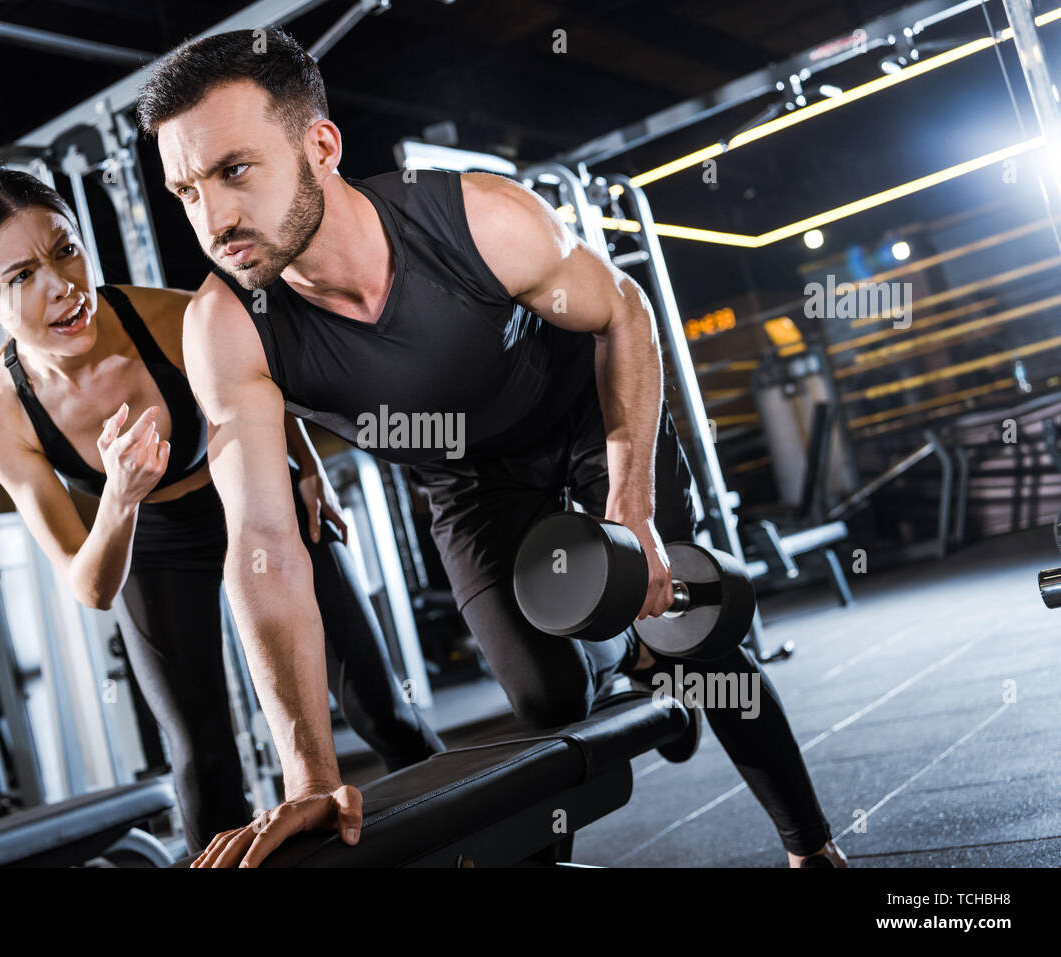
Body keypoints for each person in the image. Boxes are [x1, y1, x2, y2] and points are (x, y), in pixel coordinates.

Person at [133, 27, 847, 868]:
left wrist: (631, 513)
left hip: (585, 417)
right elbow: (261, 542)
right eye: (186, 190)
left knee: (697, 631)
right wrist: (309, 774)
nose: (212, 219)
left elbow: (624, 311)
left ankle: (811, 846)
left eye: (234, 171)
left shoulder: (479, 217)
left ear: (320, 146)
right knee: (546, 698)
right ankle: (625, 647)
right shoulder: (225, 327)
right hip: (467, 481)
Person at [0, 168, 444, 854]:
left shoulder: (173, 317)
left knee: (379, 708)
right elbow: (90, 585)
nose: (62, 284)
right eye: (21, 276)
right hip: (150, 538)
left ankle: (470, 844)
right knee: (202, 757)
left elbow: (260, 387)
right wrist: (119, 494)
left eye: (66, 250)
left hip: (248, 495)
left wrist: (311, 470)